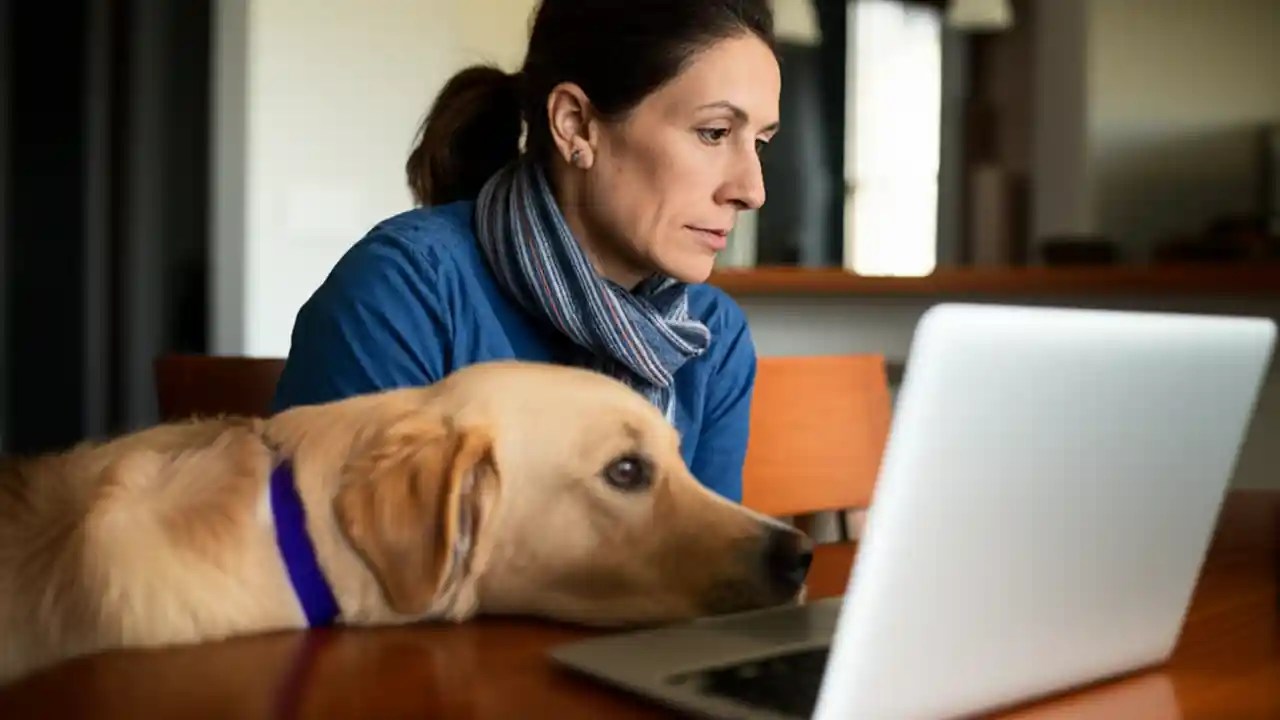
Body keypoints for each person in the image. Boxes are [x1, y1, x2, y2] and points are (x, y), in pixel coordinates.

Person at [271, 0, 781, 503]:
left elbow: (710, 576)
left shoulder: (710, 339)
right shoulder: (404, 292)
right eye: (713, 133)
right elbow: (337, 569)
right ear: (576, 125)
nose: (752, 191)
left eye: (759, 143)